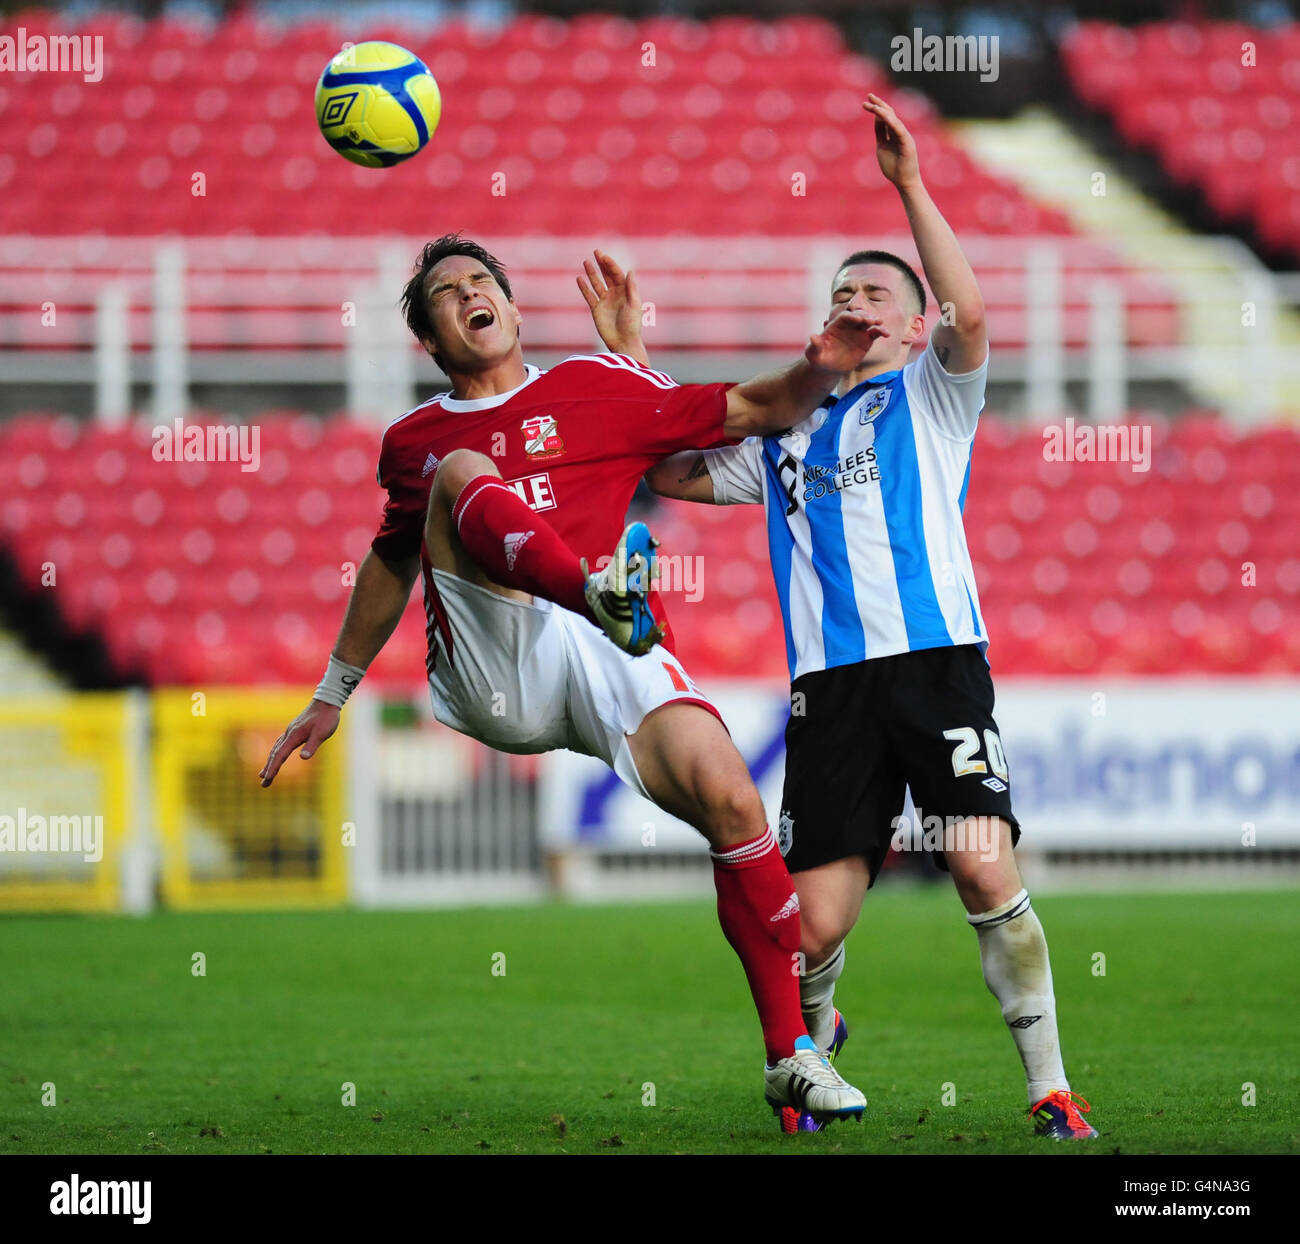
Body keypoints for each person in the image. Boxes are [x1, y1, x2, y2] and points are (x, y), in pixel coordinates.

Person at [259, 233, 885, 1125]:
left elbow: (758, 404)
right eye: (447, 293)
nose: (470, 294)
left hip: (606, 650)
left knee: (734, 802)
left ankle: (793, 1053)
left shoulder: (602, 383)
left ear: (514, 310)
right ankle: (595, 589)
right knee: (464, 473)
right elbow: (392, 562)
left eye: (483, 282)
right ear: (432, 342)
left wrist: (823, 363)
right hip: (498, 657)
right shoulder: (416, 441)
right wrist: (333, 690)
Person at [601, 95, 1097, 1140]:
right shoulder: (783, 430)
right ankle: (814, 1044)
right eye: (843, 289)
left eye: (877, 288)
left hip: (934, 670)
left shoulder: (932, 392)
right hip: (829, 694)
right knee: (812, 921)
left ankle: (1049, 1082)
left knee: (977, 862)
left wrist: (909, 184)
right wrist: (628, 359)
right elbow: (669, 460)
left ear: (911, 324)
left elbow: (971, 315)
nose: (858, 296)